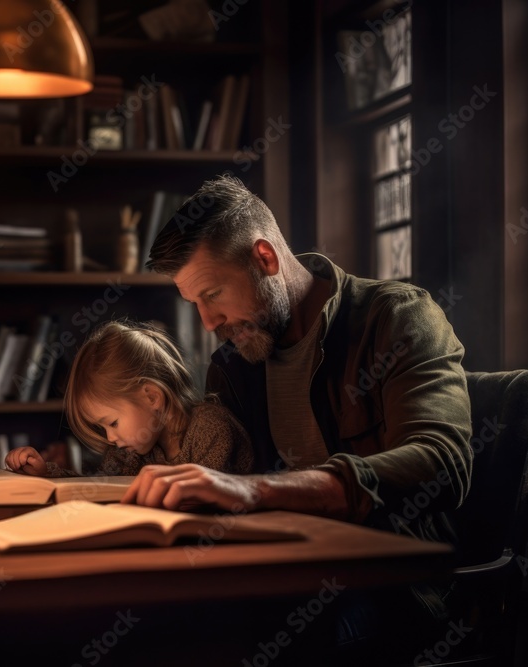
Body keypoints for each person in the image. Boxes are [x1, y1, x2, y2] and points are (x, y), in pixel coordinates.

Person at [128, 173, 474, 660]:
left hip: (394, 587)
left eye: (212, 294)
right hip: (273, 569)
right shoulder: (232, 363)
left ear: (264, 258)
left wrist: (254, 490)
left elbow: (443, 463)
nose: (208, 323)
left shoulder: (394, 318)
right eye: (194, 304)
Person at [4, 319, 254, 478]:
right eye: (103, 428)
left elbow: (209, 498)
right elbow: (101, 489)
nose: (111, 438)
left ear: (151, 396)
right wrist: (46, 473)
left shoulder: (211, 430)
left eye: (112, 423)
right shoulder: (132, 450)